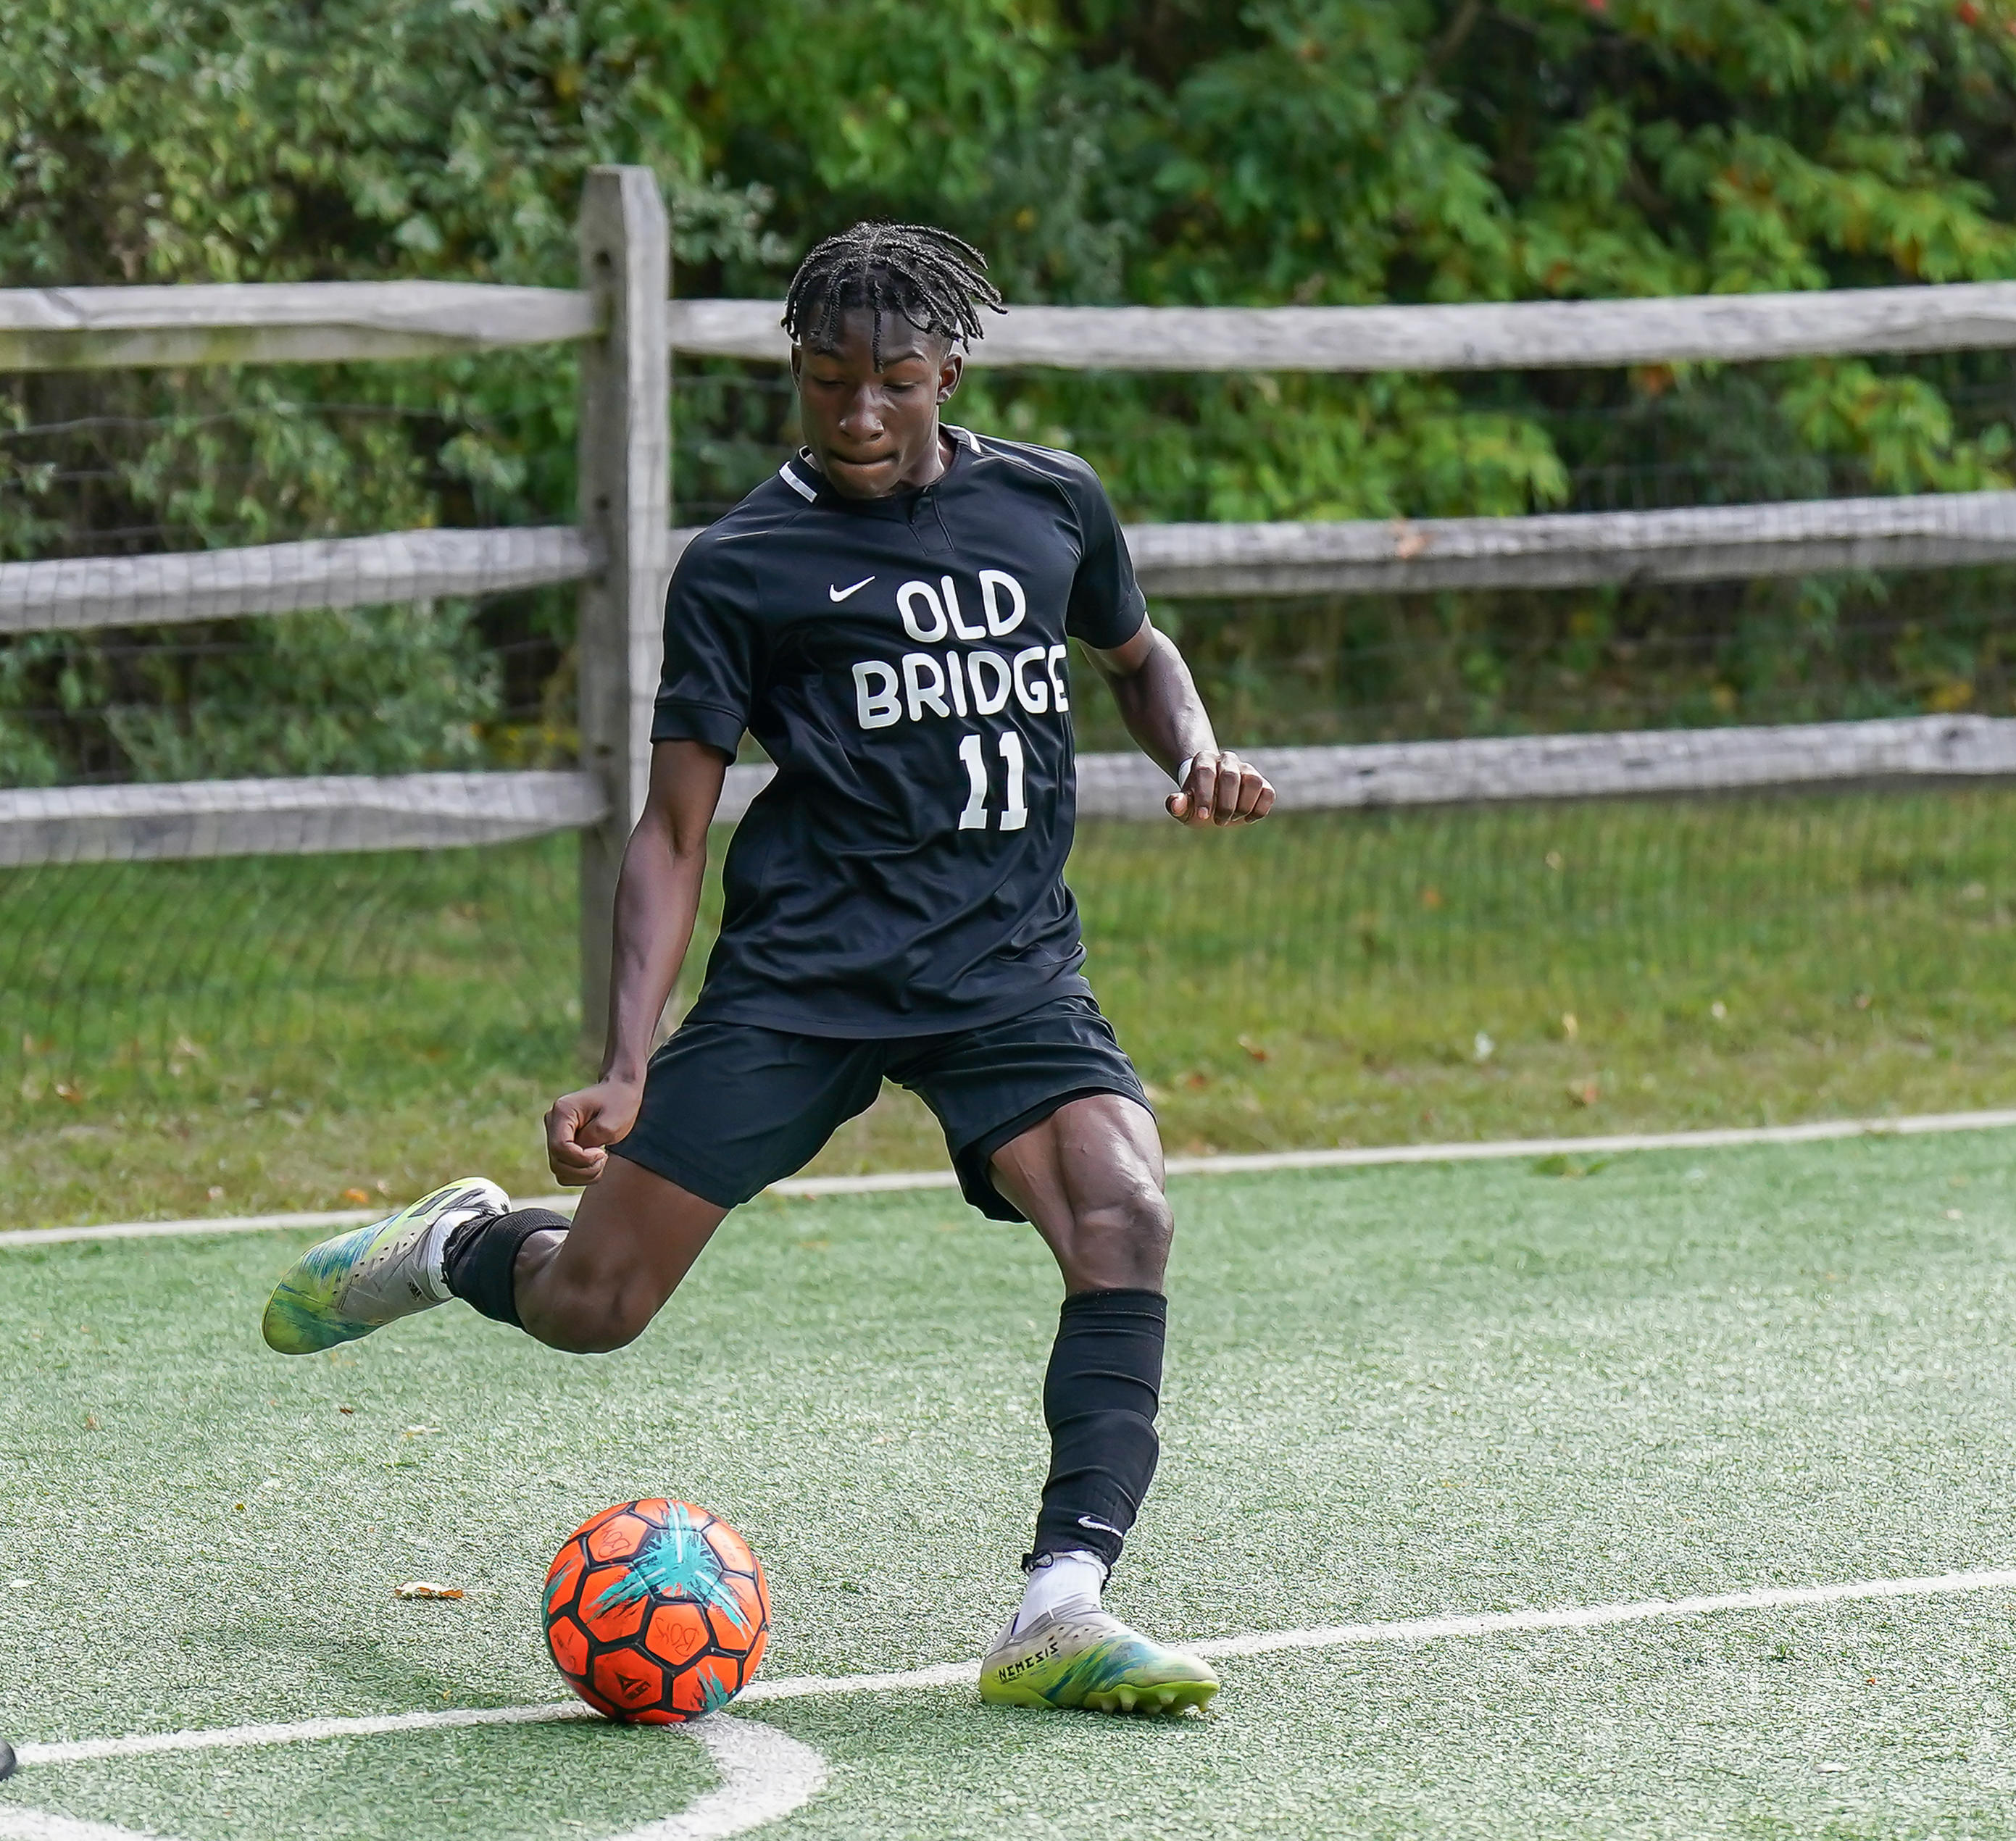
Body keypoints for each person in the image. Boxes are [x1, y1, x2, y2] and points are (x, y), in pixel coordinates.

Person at [260, 222, 1275, 1716]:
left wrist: (1194, 752)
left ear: (947, 371)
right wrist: (624, 1052)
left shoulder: (1051, 502)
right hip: (805, 975)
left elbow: (1136, 653)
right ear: (795, 373)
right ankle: (461, 1243)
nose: (861, 414)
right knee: (591, 1306)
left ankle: (1059, 1606)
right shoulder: (745, 562)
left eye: (895, 382)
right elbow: (674, 826)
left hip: (1005, 968)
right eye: (827, 381)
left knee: (1124, 1209)